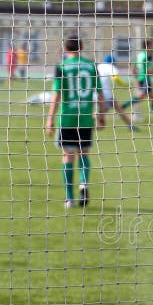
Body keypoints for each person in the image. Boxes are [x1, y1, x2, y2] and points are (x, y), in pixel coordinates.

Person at [45, 34, 106, 209]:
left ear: (65, 49)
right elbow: (100, 93)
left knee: (67, 156)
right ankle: (84, 184)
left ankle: (69, 198)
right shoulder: (92, 66)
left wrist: (50, 119)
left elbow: (56, 94)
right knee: (84, 154)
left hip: (67, 118)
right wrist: (101, 115)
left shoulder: (61, 67)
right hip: (85, 118)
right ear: (82, 47)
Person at [123, 39, 153, 124]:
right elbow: (150, 70)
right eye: (151, 46)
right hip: (146, 79)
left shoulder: (139, 55)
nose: (152, 48)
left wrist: (137, 78)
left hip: (141, 79)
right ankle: (123, 106)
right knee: (141, 97)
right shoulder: (146, 56)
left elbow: (133, 69)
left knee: (152, 98)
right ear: (148, 46)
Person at [96, 54, 137, 130]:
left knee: (104, 110)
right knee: (118, 108)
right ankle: (131, 126)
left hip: (95, 92)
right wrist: (125, 85)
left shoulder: (99, 66)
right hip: (105, 93)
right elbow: (115, 77)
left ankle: (131, 125)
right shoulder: (110, 67)